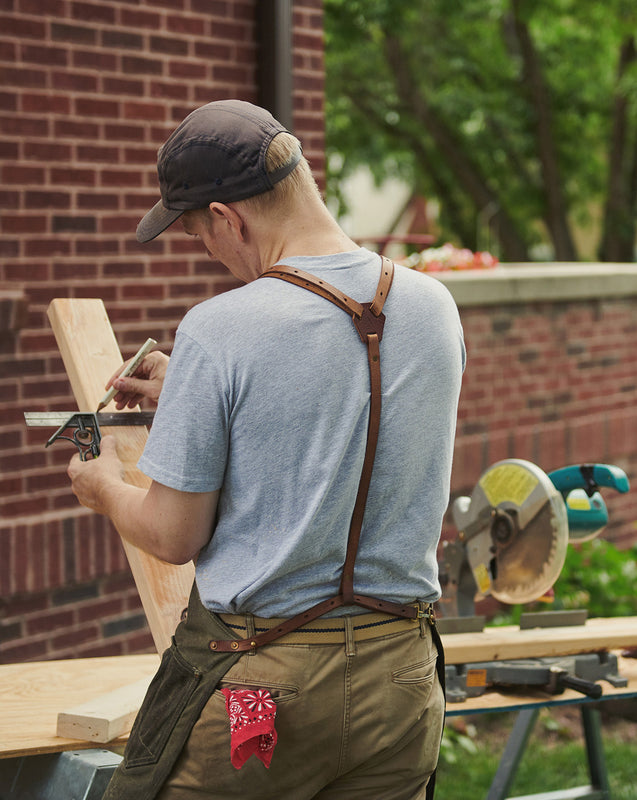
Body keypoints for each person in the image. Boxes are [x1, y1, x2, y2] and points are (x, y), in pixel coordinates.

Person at [67, 99, 465, 800]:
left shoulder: (221, 329)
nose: (209, 252)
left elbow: (172, 532)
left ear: (226, 216)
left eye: (197, 234)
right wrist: (187, 395)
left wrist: (102, 485)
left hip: (264, 687)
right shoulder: (432, 306)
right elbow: (345, 410)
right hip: (401, 683)